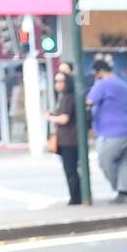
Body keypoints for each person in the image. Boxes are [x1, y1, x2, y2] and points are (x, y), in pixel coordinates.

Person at [86, 57, 127, 203]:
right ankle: (123, 192)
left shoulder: (102, 84)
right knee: (122, 161)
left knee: (104, 160)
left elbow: (89, 101)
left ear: (99, 72)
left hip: (111, 132)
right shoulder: (122, 84)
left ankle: (118, 188)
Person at [46, 71, 81, 205]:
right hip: (66, 139)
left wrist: (50, 117)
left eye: (61, 81)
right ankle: (76, 196)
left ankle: (75, 197)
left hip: (69, 139)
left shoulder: (68, 98)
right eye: (56, 81)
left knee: (70, 170)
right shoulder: (63, 97)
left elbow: (64, 118)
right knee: (70, 170)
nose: (58, 84)